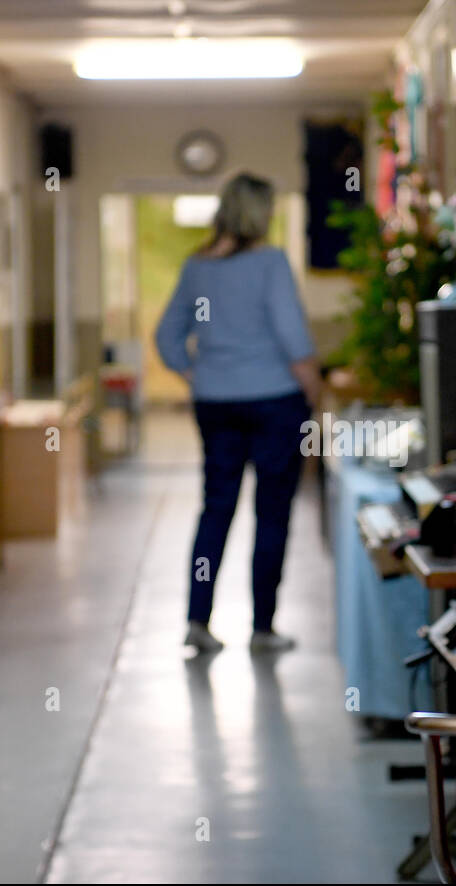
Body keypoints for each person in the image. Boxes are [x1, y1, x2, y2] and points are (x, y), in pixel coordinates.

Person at [156, 172, 324, 654]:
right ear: (258, 213)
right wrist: (313, 386)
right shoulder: (269, 263)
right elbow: (291, 334)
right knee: (271, 513)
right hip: (274, 401)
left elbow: (167, 336)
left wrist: (196, 373)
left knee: (216, 508)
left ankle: (197, 621)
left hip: (215, 404)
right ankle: (262, 628)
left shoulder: (196, 268)